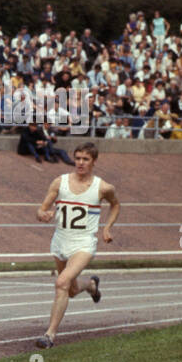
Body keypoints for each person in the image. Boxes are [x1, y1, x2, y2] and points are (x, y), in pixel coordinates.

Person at [34, 142, 119, 348]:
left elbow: (115, 205)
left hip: (84, 242)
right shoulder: (59, 182)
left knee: (61, 283)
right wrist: (43, 215)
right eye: (78, 158)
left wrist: (107, 228)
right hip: (61, 240)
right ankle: (90, 285)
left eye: (85, 159)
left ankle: (49, 335)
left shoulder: (103, 187)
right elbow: (41, 209)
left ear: (94, 162)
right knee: (70, 290)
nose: (80, 163)